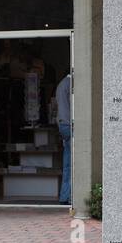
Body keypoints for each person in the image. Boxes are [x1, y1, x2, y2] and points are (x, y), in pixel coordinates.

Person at [55, 69, 72, 205]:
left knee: (67, 163)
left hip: (62, 124)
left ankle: (64, 196)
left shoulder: (60, 85)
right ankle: (70, 196)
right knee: (74, 163)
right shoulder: (71, 84)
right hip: (70, 124)